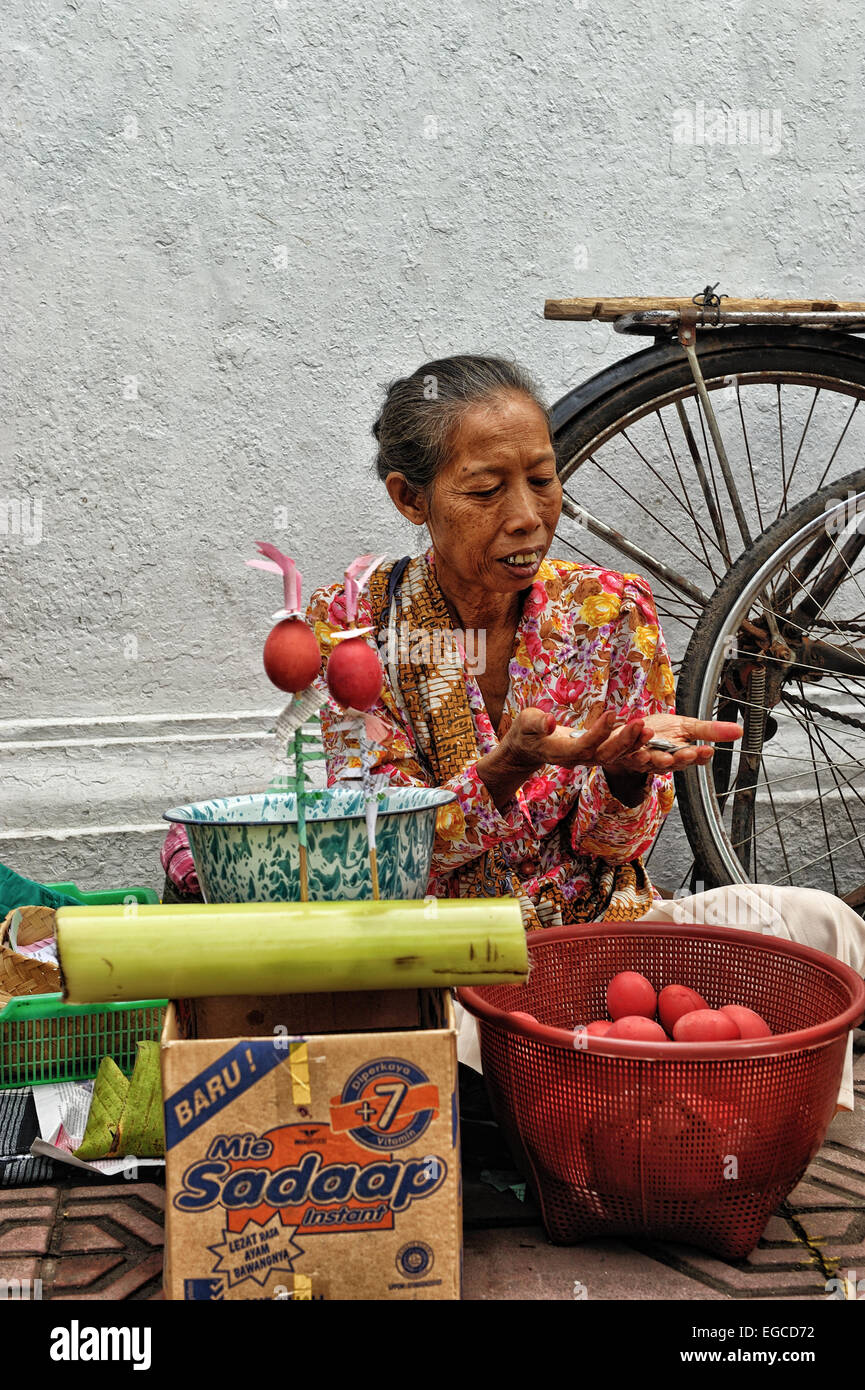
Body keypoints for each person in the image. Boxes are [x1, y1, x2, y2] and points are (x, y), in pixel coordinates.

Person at [307, 354, 865, 1109]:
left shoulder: (608, 612)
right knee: (443, 1040)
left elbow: (612, 851)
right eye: (484, 489)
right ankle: (621, 1107)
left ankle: (723, 1125)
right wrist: (503, 768)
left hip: (600, 940)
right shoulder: (353, 628)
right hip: (448, 960)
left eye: (541, 479)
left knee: (820, 927)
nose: (527, 516)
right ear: (411, 499)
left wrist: (628, 774)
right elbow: (376, 852)